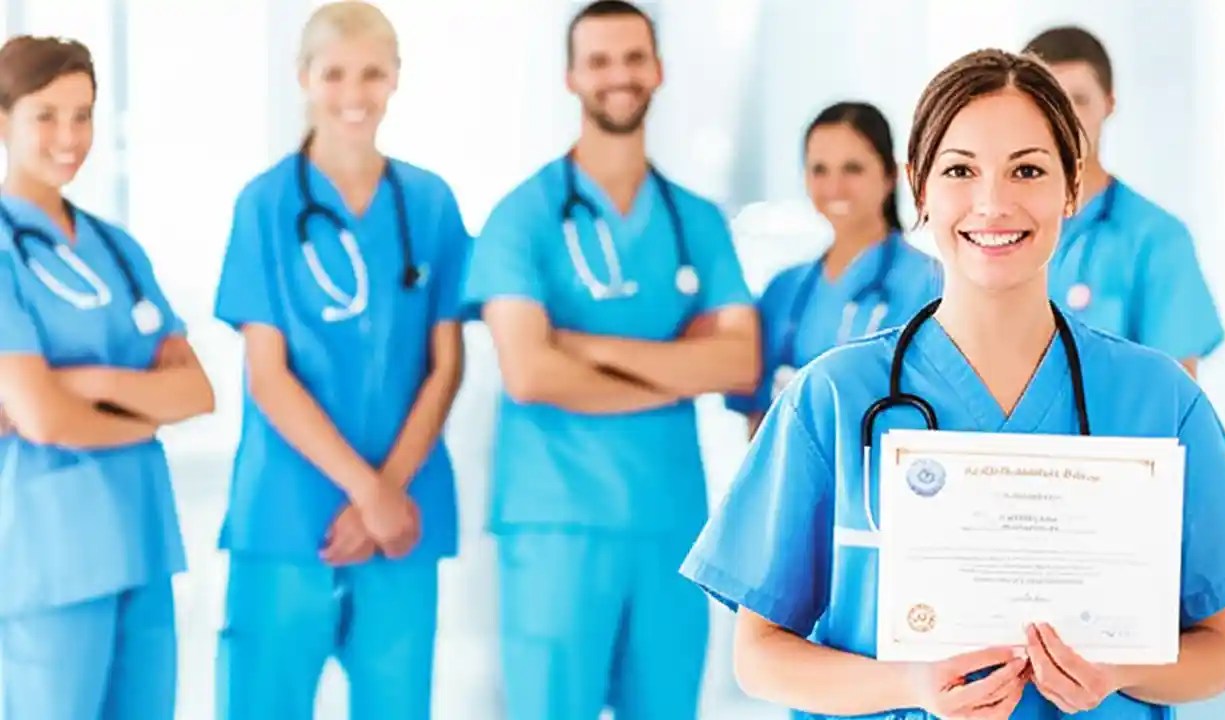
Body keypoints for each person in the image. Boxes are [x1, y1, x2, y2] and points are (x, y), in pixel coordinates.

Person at [680, 48, 1225, 719]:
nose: (993, 203)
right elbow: (759, 654)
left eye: (1028, 169)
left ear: (1071, 186)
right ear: (919, 189)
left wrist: (1115, 671)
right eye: (960, 170)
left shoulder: (1157, 398)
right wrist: (907, 687)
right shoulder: (833, 399)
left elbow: (1215, 656)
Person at [464, 1, 759, 718]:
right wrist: (674, 369)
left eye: (633, 58)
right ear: (571, 77)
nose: (618, 76)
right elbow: (530, 374)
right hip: (555, 524)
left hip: (669, 523)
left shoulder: (696, 221)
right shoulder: (522, 216)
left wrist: (586, 346)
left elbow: (740, 364)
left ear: (657, 70)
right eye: (599, 60)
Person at [212, 3, 469, 718]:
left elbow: (446, 366)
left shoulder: (431, 202)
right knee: (263, 703)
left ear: (396, 79)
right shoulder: (263, 204)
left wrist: (388, 492)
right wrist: (370, 492)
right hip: (289, 510)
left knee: (397, 704)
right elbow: (268, 373)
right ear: (304, 77)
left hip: (403, 514)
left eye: (373, 73)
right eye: (335, 73)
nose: (354, 93)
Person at [0, 35, 215, 720]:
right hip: (48, 557)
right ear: (3, 120)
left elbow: (197, 392)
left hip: (143, 545)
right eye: (47, 115)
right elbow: (41, 419)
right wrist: (145, 414)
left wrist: (88, 380)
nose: (70, 137)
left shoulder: (119, 250)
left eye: (84, 114)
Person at [725, 102, 941, 435]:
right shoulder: (783, 289)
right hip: (795, 478)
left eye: (852, 169)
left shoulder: (933, 284)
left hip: (885, 478)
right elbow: (758, 419)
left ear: (890, 176)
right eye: (819, 170)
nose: (834, 187)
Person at [1024, 26, 1222, 378]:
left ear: (1109, 104)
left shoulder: (1158, 238)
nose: (1064, 120)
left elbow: (1172, 399)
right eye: (1049, 103)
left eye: (1080, 100)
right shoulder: (997, 229)